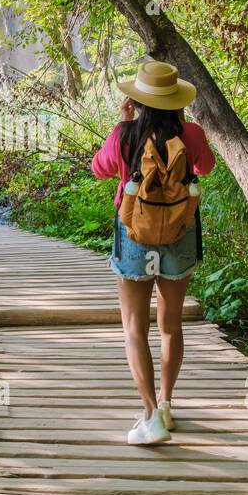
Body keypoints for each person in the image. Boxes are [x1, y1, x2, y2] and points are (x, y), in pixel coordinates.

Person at [91, 61, 216, 444]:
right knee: (170, 326)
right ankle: (165, 405)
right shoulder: (189, 132)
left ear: (139, 100)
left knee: (134, 329)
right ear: (175, 99)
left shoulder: (124, 134)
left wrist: (124, 123)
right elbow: (206, 167)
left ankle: (148, 417)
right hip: (178, 232)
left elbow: (100, 169)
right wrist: (189, 134)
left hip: (134, 234)